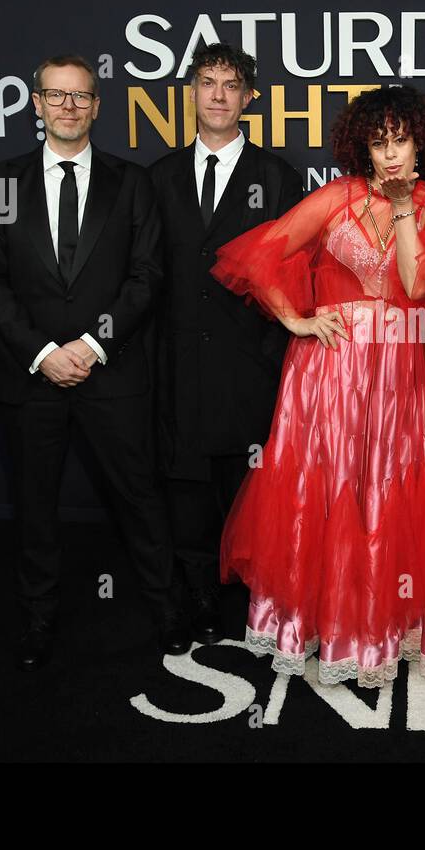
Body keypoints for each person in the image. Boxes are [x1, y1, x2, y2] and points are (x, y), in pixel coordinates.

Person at [209, 86, 425, 687]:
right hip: (327, 373)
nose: (389, 156)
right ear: (363, 146)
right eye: (378, 143)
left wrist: (406, 205)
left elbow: (416, 286)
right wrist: (296, 318)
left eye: (400, 141)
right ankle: (315, 621)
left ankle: (378, 627)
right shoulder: (338, 195)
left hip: (401, 377)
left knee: (389, 489)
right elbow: (262, 255)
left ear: (421, 143)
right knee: (326, 488)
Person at [0, 54, 189, 671]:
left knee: (141, 498)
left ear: (98, 106)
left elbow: (147, 277)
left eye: (81, 96)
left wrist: (91, 347)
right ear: (36, 105)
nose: (68, 106)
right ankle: (38, 616)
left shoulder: (133, 183)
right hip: (31, 376)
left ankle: (165, 607)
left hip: (113, 373)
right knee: (35, 504)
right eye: (56, 95)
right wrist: (44, 354)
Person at [149, 43, 303, 645]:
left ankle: (255, 597)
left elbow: (293, 275)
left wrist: (271, 357)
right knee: (186, 491)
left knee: (250, 487)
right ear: (191, 92)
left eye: (230, 85)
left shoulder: (278, 177)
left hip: (249, 367)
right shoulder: (157, 178)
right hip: (180, 364)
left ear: (249, 98)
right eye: (206, 82)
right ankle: (199, 594)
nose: (217, 94)